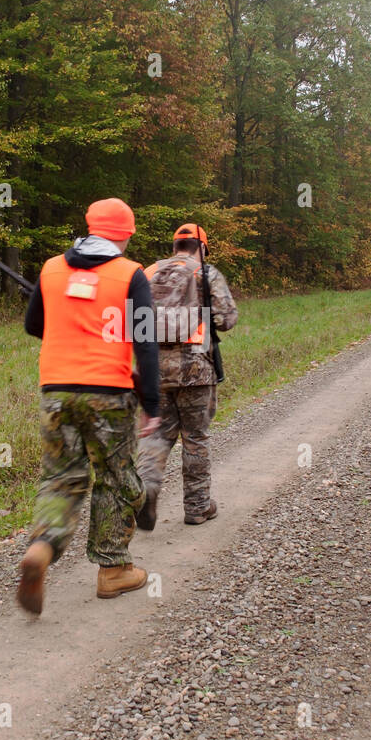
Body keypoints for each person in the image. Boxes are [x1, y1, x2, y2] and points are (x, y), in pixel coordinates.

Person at [15, 198, 162, 615]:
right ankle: (113, 569)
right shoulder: (130, 274)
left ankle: (42, 548)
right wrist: (150, 402)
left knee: (61, 478)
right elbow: (146, 344)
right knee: (115, 477)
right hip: (109, 393)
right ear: (125, 234)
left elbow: (33, 325)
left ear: (89, 227)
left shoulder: (50, 269)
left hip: (56, 391)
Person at [135, 223, 238, 529]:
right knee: (195, 438)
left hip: (152, 369)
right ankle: (197, 507)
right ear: (202, 247)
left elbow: (133, 321)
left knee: (156, 435)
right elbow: (226, 319)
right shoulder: (205, 273)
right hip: (195, 369)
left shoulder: (147, 272)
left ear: (174, 247)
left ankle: (147, 489)